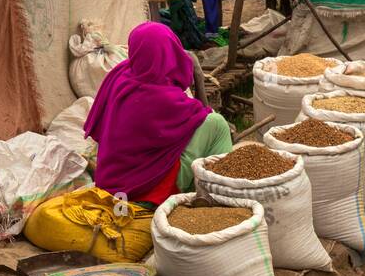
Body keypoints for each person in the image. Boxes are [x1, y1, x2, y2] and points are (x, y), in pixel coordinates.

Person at [25, 22, 232, 260]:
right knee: (215, 124)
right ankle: (220, 198)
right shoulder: (165, 98)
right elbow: (198, 112)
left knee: (196, 128)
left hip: (111, 182)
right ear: (170, 50)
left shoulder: (120, 75)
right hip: (147, 190)